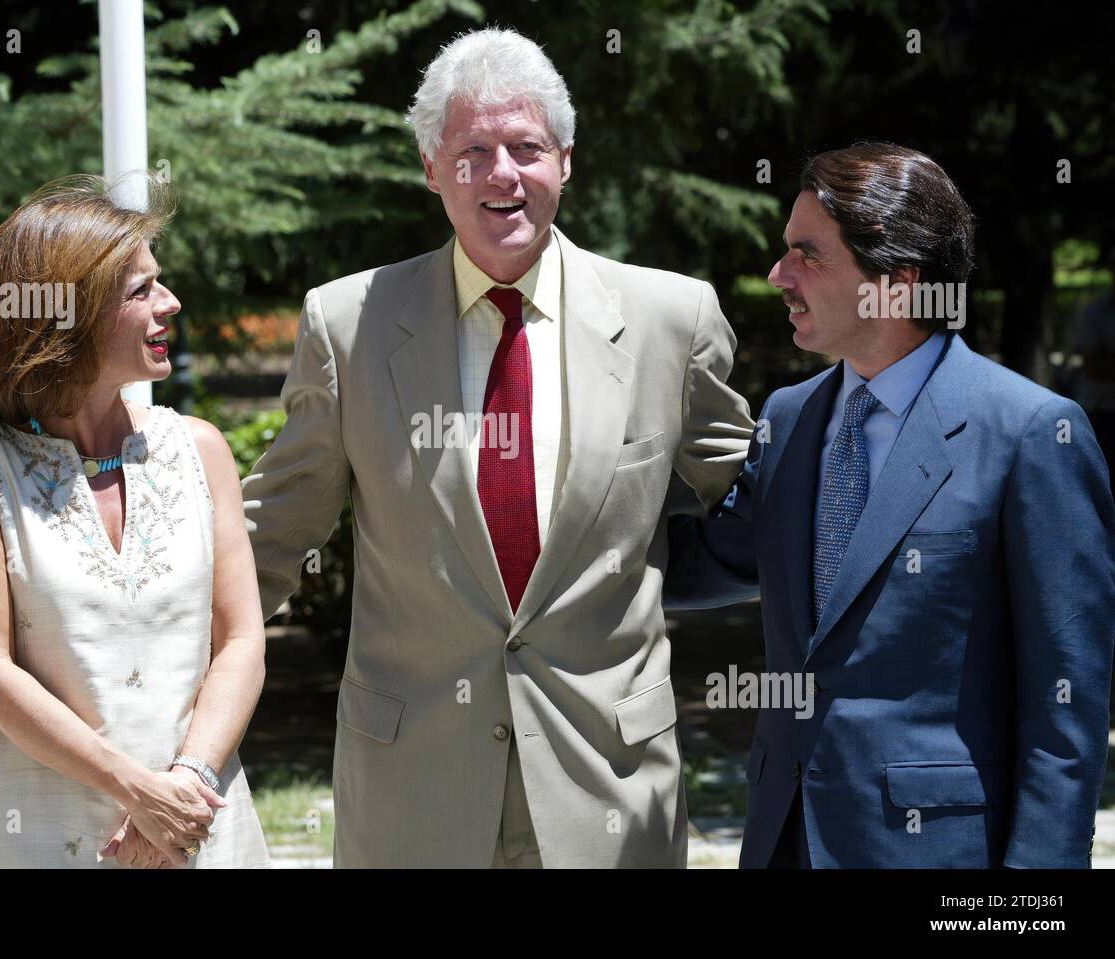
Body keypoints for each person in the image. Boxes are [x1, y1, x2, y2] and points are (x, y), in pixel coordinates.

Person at [242, 28, 754, 868]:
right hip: (413, 797)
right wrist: (153, 671)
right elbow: (271, 532)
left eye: (526, 146)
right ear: (430, 167)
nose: (503, 174)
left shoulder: (672, 319)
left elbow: (754, 504)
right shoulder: (348, 324)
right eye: (472, 150)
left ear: (566, 160)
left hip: (611, 792)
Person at [668, 143, 1115, 867]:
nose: (777, 276)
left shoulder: (1032, 433)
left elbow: (1064, 715)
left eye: (807, 255)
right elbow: (710, 558)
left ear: (897, 284)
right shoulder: (787, 417)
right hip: (782, 839)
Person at [0, 175, 271, 868]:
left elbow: (240, 639)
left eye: (159, 283)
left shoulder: (199, 449)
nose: (170, 303)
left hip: (201, 830)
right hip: (46, 841)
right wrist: (137, 790)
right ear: (65, 316)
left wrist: (186, 784)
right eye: (141, 290)